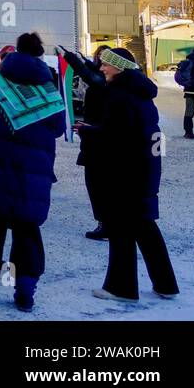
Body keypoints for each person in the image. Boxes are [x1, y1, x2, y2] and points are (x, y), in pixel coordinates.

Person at [0, 32, 66, 312]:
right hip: (33, 173)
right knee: (27, 232)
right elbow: (58, 127)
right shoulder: (48, 88)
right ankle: (23, 292)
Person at [78, 48, 178, 302]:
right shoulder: (141, 94)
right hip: (144, 169)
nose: (101, 68)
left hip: (124, 172)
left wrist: (89, 132)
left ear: (120, 68)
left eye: (106, 65)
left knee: (121, 228)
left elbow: (117, 139)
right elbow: (138, 134)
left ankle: (121, 288)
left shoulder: (120, 96)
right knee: (145, 227)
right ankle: (165, 284)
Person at [60, 44, 112, 241]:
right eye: (99, 57)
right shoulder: (107, 78)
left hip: (99, 139)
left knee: (99, 184)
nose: (101, 63)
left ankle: (106, 223)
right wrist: (83, 59)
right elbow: (92, 72)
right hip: (93, 136)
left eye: (105, 60)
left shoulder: (106, 82)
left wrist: (71, 58)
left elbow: (90, 77)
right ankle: (105, 222)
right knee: (96, 184)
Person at [173, 46, 194, 142]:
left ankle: (188, 132)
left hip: (188, 91)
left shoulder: (186, 62)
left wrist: (189, 83)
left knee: (189, 112)